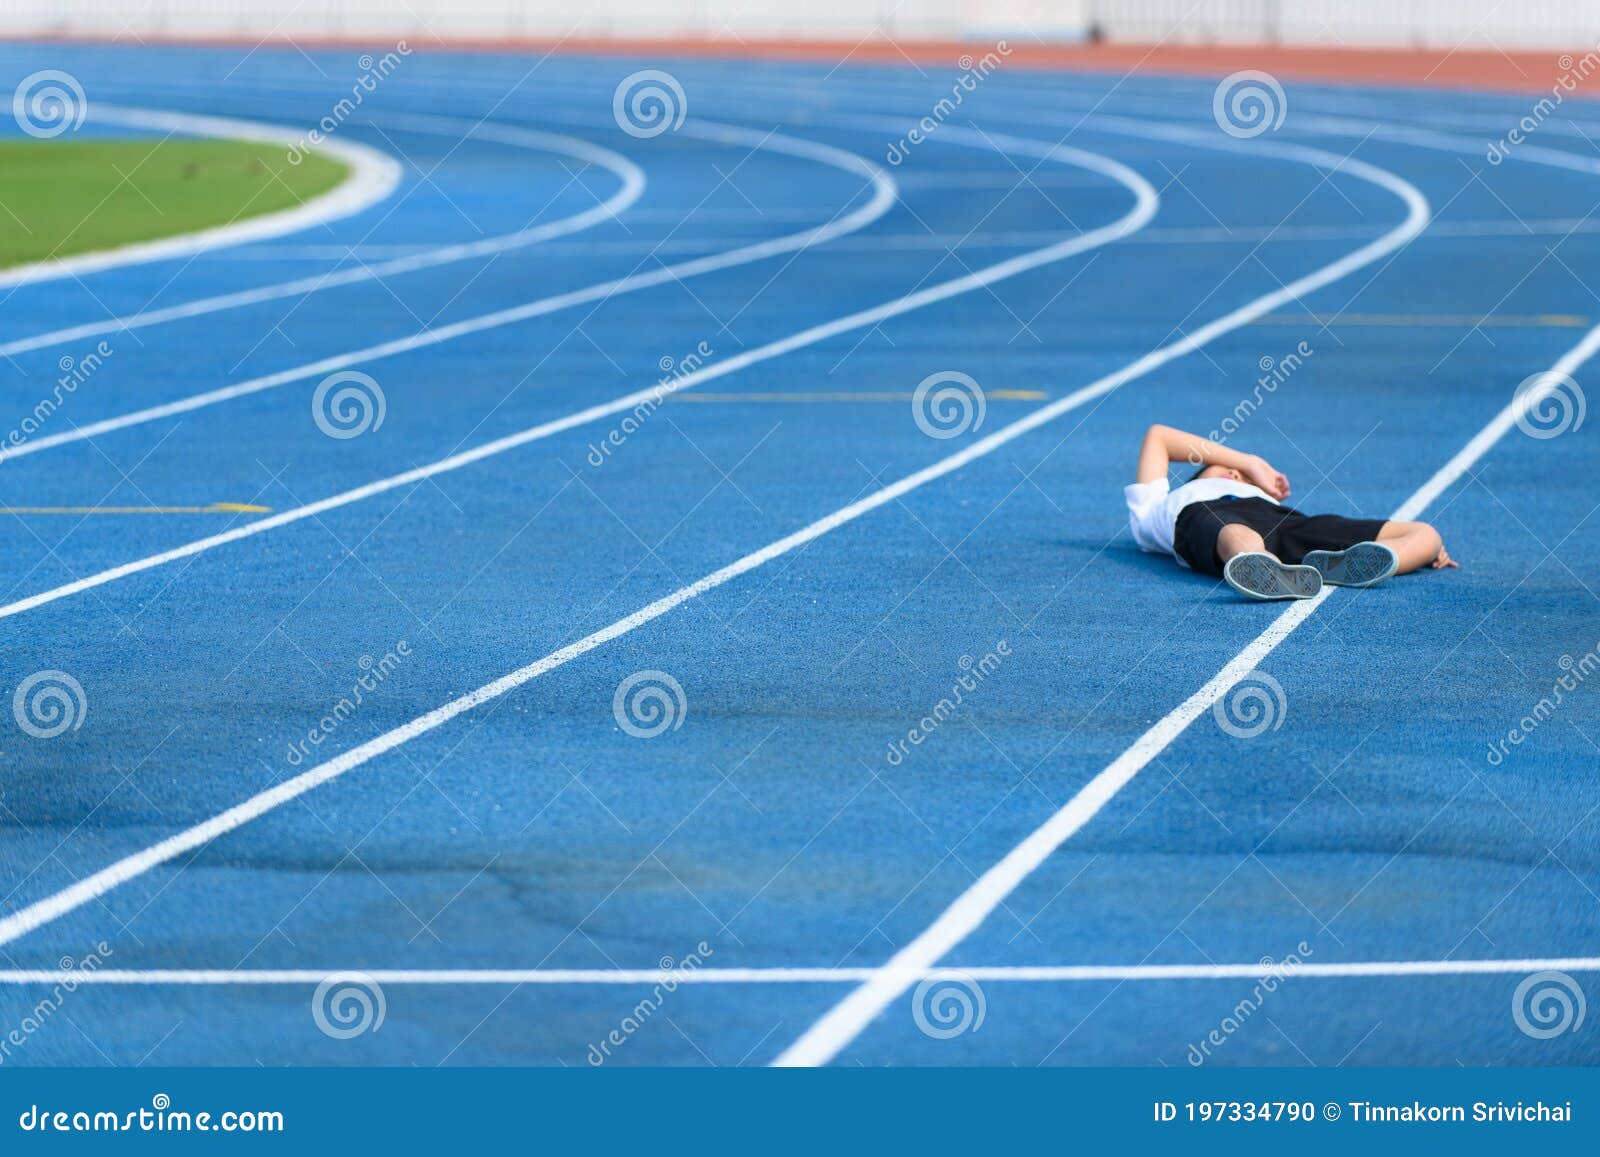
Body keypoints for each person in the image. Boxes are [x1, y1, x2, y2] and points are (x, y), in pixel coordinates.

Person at [1126, 424, 1457, 600]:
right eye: (1222, 468)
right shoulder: (1161, 506)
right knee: (1231, 531)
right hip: (1206, 514)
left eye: (1238, 474)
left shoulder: (1262, 497)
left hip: (1282, 520)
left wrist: (1423, 547)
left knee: (1426, 533)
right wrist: (1249, 462)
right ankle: (1258, 566)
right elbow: (1159, 437)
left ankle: (1377, 559)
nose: (1233, 474)